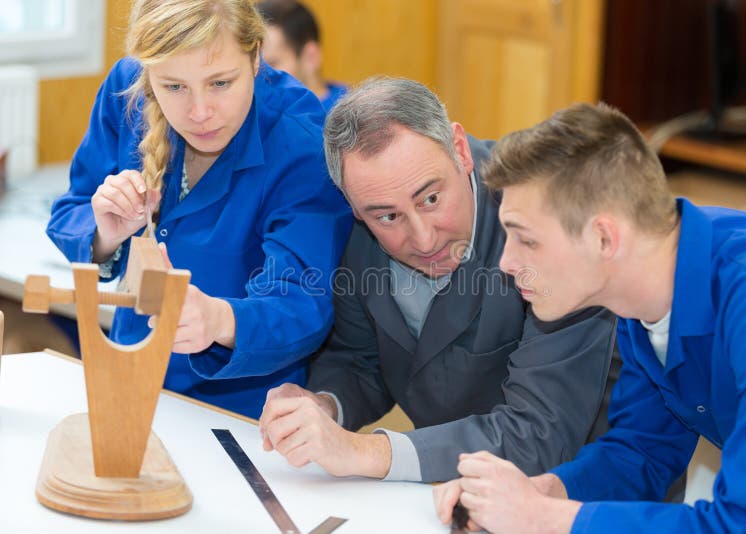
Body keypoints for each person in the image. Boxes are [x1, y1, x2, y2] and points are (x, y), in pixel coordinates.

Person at [433, 102, 746, 533]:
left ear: (604, 237)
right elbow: (642, 453)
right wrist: (542, 492)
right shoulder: (642, 298)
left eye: (526, 240)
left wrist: (545, 519)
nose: (506, 263)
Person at [259, 77, 617, 483]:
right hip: (448, 488)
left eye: (431, 199)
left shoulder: (550, 225)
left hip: (589, 494)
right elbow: (359, 360)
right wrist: (324, 405)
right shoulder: (358, 236)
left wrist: (366, 451)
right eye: (387, 216)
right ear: (353, 207)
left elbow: (537, 433)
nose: (424, 238)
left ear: (460, 150)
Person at [46, 0, 352, 419]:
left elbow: (302, 300)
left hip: (243, 412)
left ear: (256, 56)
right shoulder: (126, 88)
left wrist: (219, 320)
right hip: (130, 379)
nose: (200, 112)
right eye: (173, 87)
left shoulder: (300, 139)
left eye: (221, 83)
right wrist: (106, 234)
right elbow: (73, 208)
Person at [256, 0, 347, 113]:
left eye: (271, 64)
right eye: (253, 67)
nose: (258, 76)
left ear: (311, 57)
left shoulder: (354, 120)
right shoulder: (253, 116)